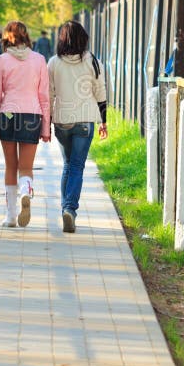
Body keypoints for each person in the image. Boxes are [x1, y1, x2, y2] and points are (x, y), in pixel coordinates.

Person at [48, 21, 108, 233]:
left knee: (67, 165)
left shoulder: (53, 63)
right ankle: (69, 209)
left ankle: (67, 208)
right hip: (84, 120)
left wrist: (46, 121)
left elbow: (49, 94)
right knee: (76, 166)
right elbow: (100, 92)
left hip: (62, 120)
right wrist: (104, 120)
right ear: (83, 38)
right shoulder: (92, 61)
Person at [0, 20, 50, 228]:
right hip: (32, 115)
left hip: (8, 114)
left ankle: (10, 216)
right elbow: (44, 96)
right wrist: (45, 128)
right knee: (26, 167)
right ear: (26, 36)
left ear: (6, 37)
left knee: (11, 166)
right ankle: (26, 190)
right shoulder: (40, 60)